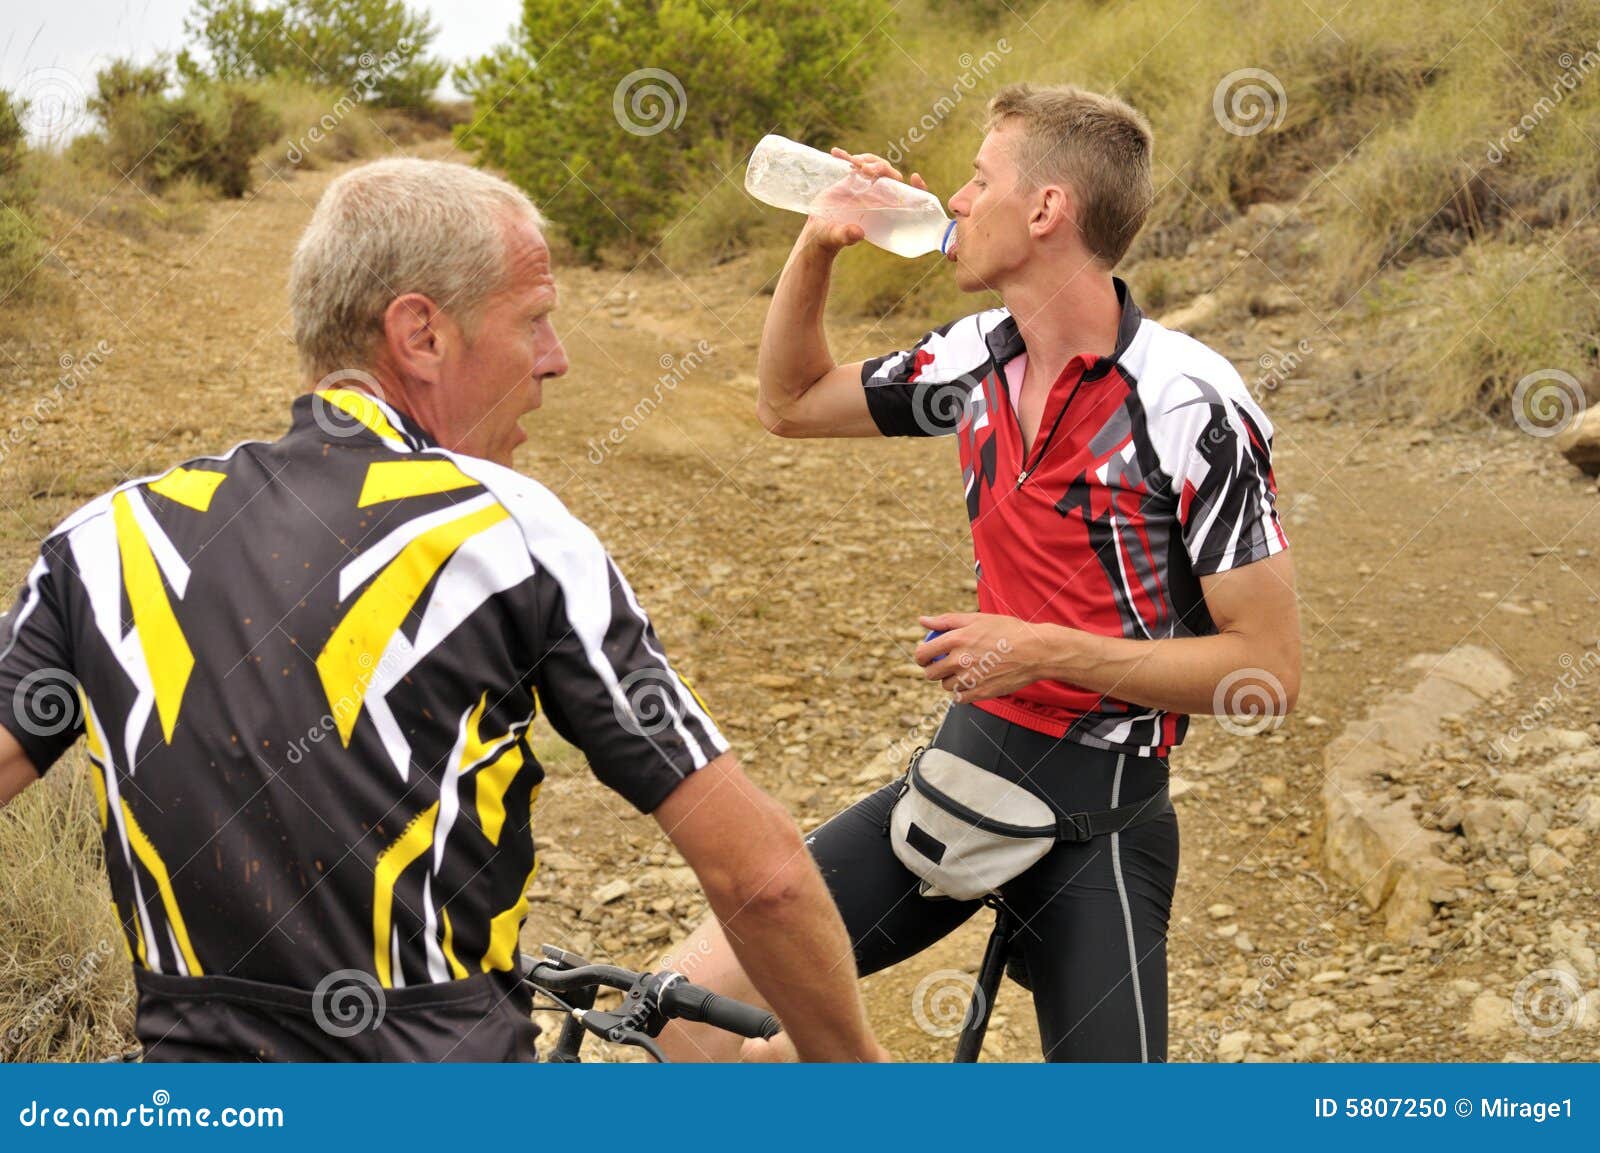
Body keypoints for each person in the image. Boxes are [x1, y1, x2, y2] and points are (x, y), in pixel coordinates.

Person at [0, 158, 885, 1063]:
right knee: (763, 1065)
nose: (556, 359)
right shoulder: (508, 530)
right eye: (533, 320)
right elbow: (762, 878)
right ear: (421, 333)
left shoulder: (104, 537)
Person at [661, 84, 1302, 1063]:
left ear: (1045, 210)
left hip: (1106, 815)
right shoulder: (970, 360)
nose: (953, 200)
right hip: (963, 777)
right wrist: (822, 239)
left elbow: (1267, 670)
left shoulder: (1190, 403)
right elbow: (789, 403)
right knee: (677, 1026)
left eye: (977, 177)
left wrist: (1042, 649)